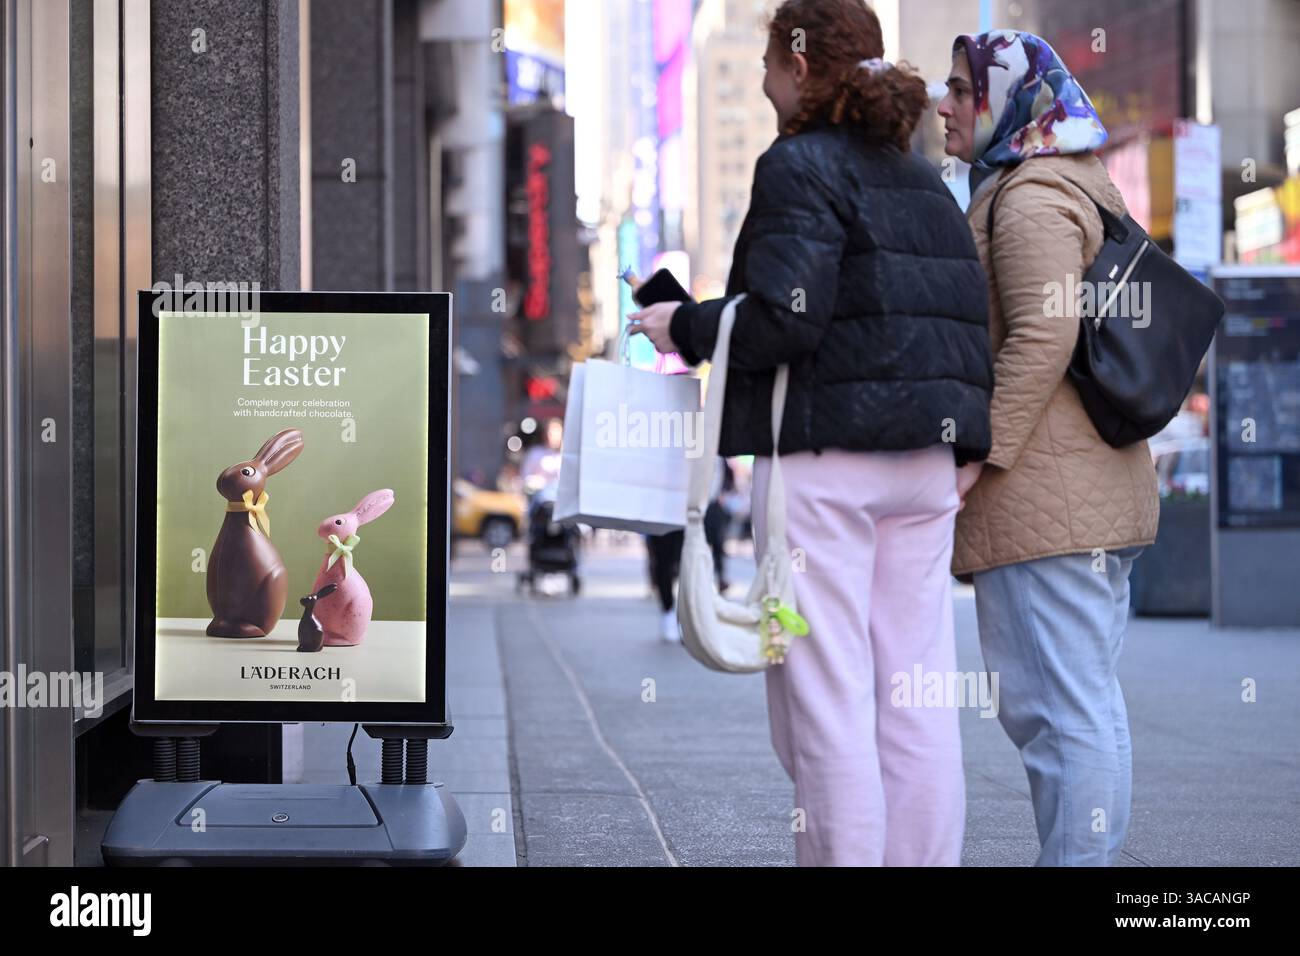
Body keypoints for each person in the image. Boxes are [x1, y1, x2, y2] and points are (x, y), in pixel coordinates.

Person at [632, 0, 992, 866]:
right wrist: (966, 451)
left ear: (799, 70)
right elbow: (966, 321)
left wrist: (682, 325)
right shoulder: (923, 179)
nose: (760, 78)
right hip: (926, 468)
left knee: (828, 701)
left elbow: (787, 319)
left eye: (768, 62)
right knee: (915, 696)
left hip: (827, 464)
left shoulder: (797, 166)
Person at [938, 30, 1160, 866]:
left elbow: (1041, 334)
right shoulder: (1079, 184)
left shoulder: (1029, 196)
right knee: (1084, 708)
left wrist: (977, 453)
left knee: (1057, 718)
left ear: (1007, 102)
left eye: (964, 90)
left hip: (1049, 505)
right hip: (1090, 492)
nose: (945, 104)